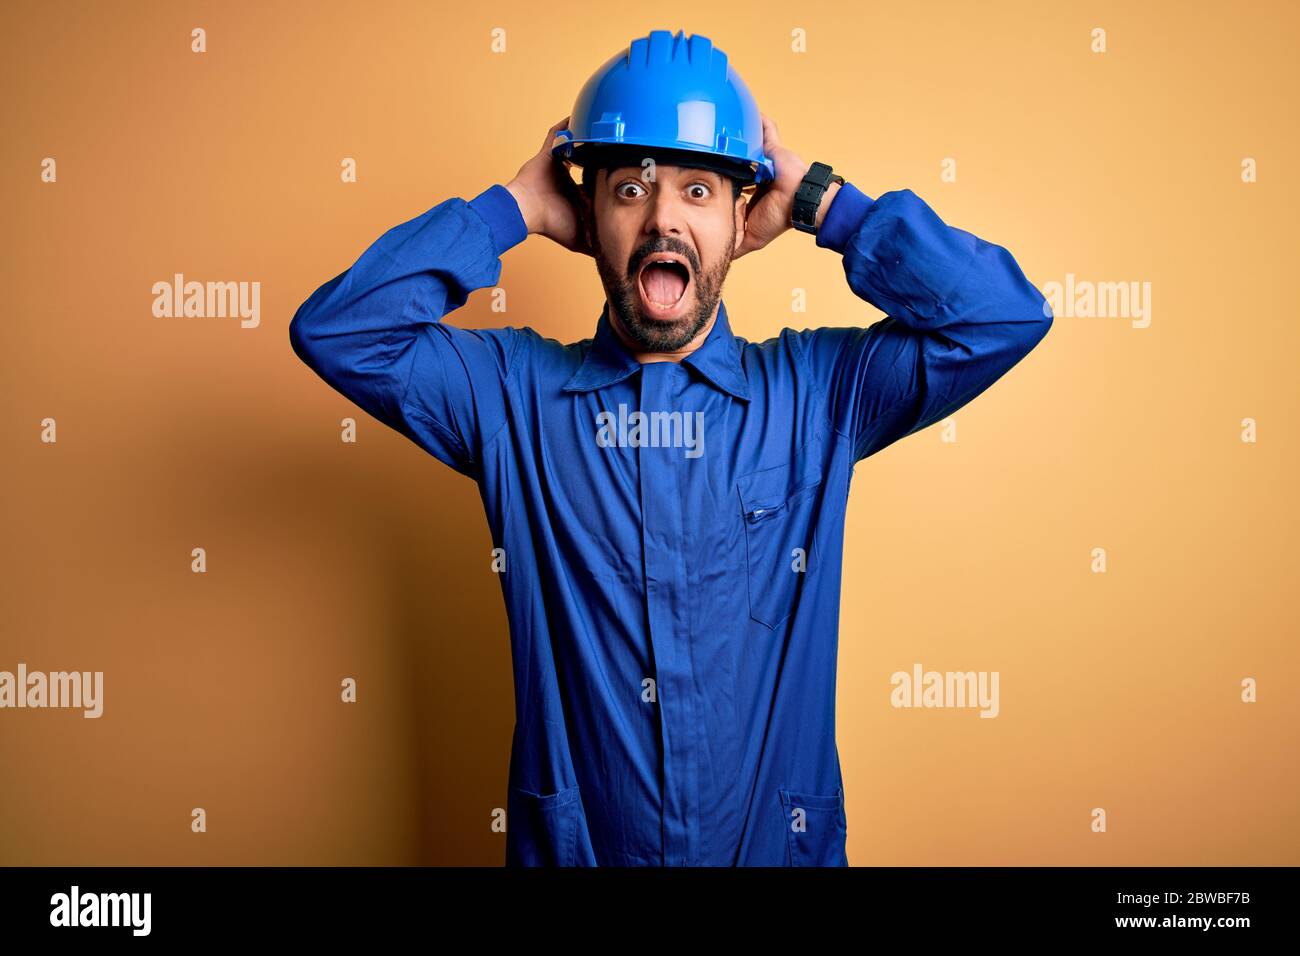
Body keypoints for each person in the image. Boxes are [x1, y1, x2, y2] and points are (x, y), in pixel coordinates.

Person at [289, 30, 1053, 866]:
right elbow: (340, 331)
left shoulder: (818, 394)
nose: (663, 217)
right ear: (587, 218)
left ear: (741, 218)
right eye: (629, 191)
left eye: (698, 189)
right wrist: (511, 208)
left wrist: (827, 204)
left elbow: (1002, 315)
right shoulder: (512, 397)